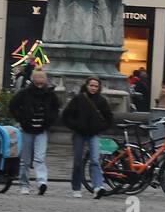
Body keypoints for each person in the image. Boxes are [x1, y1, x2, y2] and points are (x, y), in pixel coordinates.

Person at [10, 67, 60, 195]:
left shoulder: (50, 94)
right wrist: (21, 118)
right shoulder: (25, 93)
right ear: (33, 80)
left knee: (39, 158)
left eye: (42, 80)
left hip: (41, 130)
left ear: (45, 80)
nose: (39, 83)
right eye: (37, 80)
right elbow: (13, 106)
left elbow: (56, 108)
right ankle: (24, 185)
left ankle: (42, 182)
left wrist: (50, 121)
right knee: (25, 160)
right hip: (26, 130)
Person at [63, 77, 113, 199]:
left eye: (96, 86)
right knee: (78, 161)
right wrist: (75, 126)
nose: (93, 88)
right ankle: (76, 187)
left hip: (94, 134)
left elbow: (109, 118)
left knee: (95, 160)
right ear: (86, 86)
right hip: (79, 133)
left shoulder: (101, 101)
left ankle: (98, 186)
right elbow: (66, 115)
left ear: (99, 88)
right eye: (91, 85)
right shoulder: (78, 99)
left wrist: (99, 128)